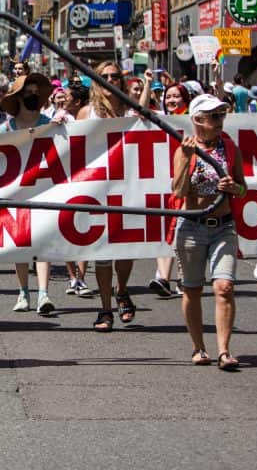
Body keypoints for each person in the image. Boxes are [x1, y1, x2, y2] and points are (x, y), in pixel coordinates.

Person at [172, 94, 247, 370]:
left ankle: (224, 350)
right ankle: (198, 347)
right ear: (198, 120)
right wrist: (187, 158)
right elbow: (178, 192)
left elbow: (243, 187)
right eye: (213, 116)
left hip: (223, 226)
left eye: (221, 115)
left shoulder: (229, 147)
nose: (219, 121)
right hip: (192, 227)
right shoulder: (184, 150)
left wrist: (233, 188)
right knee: (192, 289)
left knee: (224, 287)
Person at [82, 61, 139, 329]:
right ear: (96, 81)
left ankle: (122, 288)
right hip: (98, 189)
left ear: (121, 80)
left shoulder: (132, 110)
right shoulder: (87, 113)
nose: (109, 80)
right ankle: (105, 308)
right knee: (102, 251)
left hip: (128, 187)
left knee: (126, 248)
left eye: (114, 76)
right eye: (103, 76)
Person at [0, 71, 57, 314]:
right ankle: (23, 292)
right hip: (17, 192)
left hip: (44, 190)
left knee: (42, 242)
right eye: (28, 93)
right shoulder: (5, 128)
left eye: (37, 93)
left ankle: (43, 293)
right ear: (19, 97)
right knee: (20, 243)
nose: (33, 97)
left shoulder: (49, 125)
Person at [142, 77, 191, 298]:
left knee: (184, 229)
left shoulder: (195, 120)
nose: (171, 100)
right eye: (168, 97)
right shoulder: (160, 119)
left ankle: (183, 277)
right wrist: (146, 85)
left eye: (176, 96)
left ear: (186, 99)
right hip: (162, 181)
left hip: (189, 181)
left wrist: (217, 80)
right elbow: (142, 112)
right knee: (167, 227)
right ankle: (163, 277)